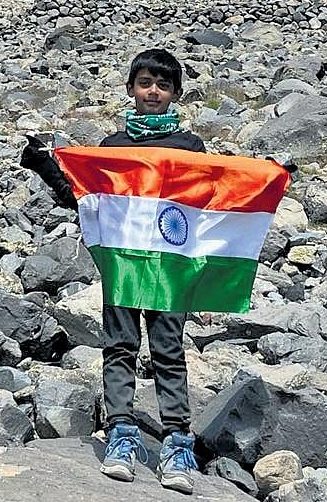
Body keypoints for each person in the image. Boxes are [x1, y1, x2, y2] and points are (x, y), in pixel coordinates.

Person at [20, 48, 205, 495]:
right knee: (120, 347)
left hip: (169, 268)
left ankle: (177, 444)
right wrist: (46, 163)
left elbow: (219, 199)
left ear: (176, 93)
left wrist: (269, 178)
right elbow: (80, 197)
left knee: (167, 349)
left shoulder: (190, 148)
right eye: (145, 83)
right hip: (123, 263)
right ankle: (123, 434)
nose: (153, 91)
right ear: (130, 90)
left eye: (163, 85)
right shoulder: (113, 148)